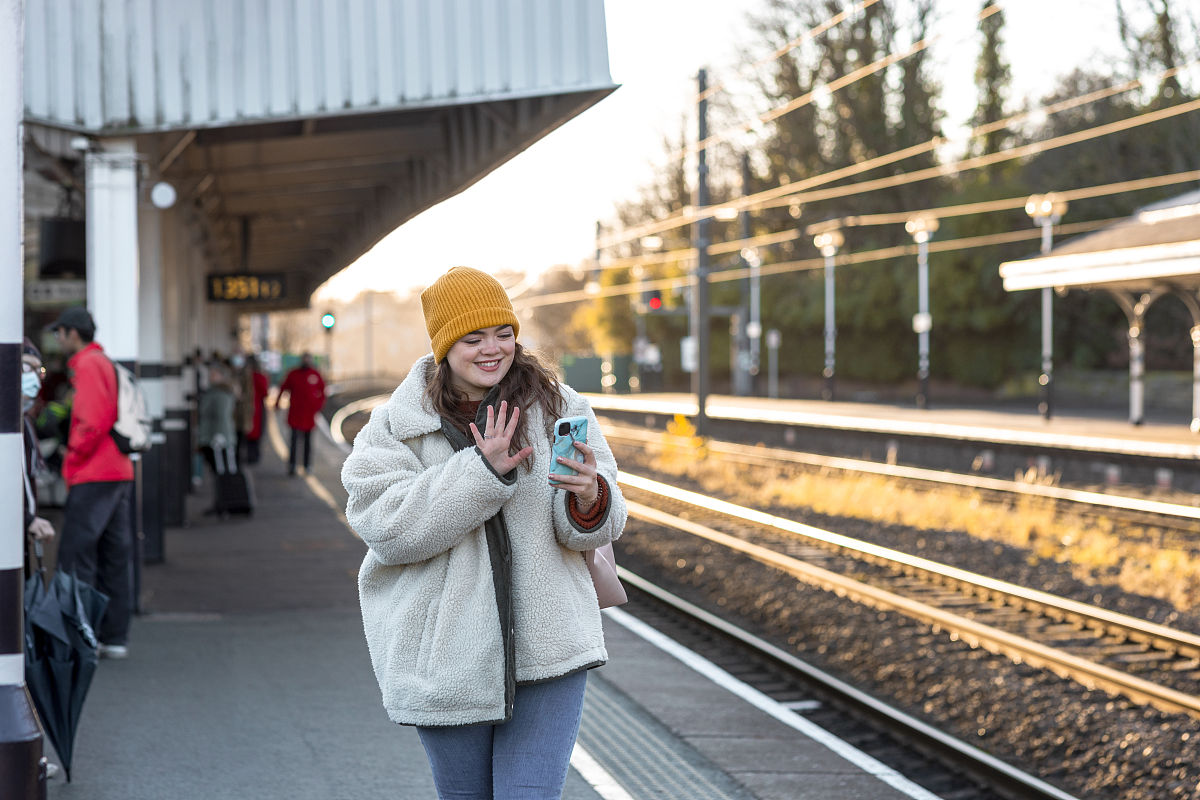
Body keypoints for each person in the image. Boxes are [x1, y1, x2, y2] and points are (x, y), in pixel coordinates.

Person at [341, 267, 627, 799]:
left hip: (550, 651)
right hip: (447, 658)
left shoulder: (558, 408)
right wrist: (482, 473)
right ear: (445, 347)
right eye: (473, 339)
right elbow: (389, 529)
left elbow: (593, 531)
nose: (492, 349)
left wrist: (590, 496)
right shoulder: (394, 427)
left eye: (503, 333)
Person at [49, 306, 134, 660]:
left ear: (72, 333)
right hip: (117, 470)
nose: (57, 339)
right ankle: (114, 636)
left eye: (59, 332)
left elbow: (90, 421)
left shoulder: (87, 365)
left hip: (93, 474)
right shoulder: (105, 362)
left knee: (76, 556)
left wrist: (72, 460)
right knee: (114, 556)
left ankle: (80, 637)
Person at [21, 338, 56, 567]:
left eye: (38, 369)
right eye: (26, 368)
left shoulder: (24, 420)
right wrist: (27, 518)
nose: (34, 376)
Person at [196, 361, 238, 514]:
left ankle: (227, 502)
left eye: (214, 374)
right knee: (217, 473)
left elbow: (222, 417)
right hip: (213, 437)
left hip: (219, 439)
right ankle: (221, 502)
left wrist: (220, 435)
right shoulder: (214, 391)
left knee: (223, 472)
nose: (211, 377)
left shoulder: (221, 394)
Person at [275, 352, 325, 476]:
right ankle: (292, 465)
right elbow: (283, 388)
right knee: (293, 441)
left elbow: (323, 392)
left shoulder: (315, 375)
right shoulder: (293, 374)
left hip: (309, 415)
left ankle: (307, 465)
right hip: (295, 414)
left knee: (308, 442)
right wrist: (277, 402)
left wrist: (317, 406)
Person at [240, 354, 270, 465]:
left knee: (247, 431)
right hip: (257, 408)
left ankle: (248, 454)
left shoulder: (244, 376)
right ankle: (254, 455)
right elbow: (265, 392)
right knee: (256, 432)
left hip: (245, 407)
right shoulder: (260, 376)